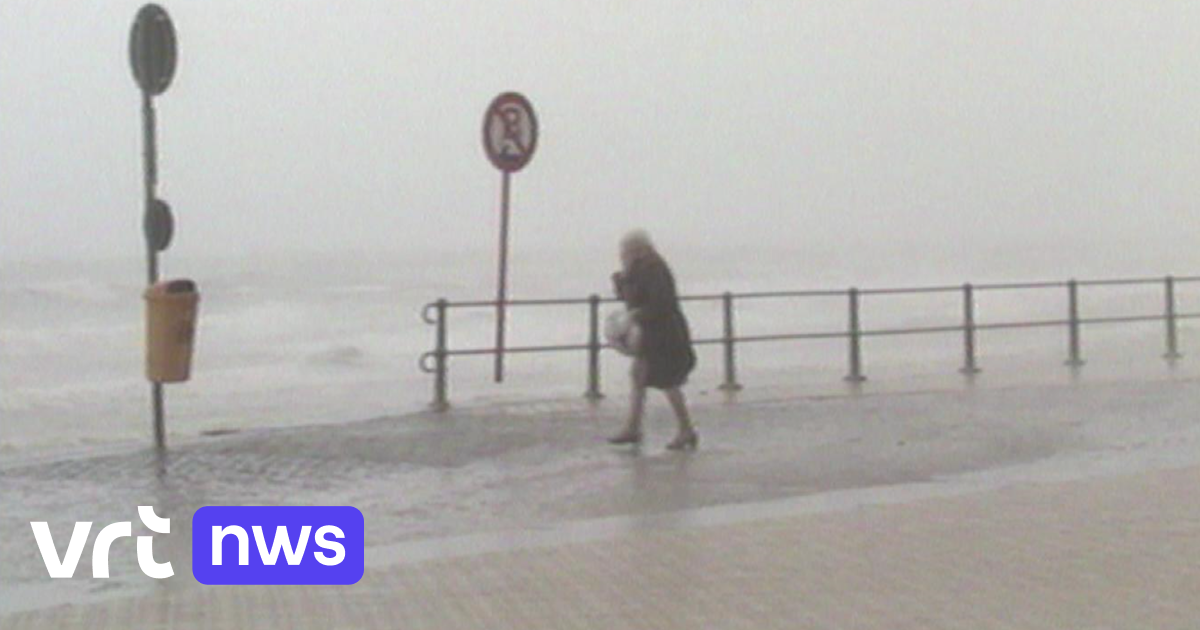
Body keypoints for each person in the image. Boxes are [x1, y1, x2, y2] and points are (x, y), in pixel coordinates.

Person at [608, 230, 699, 450]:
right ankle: (634, 427)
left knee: (667, 382)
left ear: (639, 248)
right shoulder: (638, 270)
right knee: (639, 376)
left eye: (626, 249)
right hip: (651, 335)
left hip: (664, 335)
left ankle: (685, 429)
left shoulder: (655, 268)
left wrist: (636, 315)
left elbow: (662, 302)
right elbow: (629, 299)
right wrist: (621, 279)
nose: (623, 254)